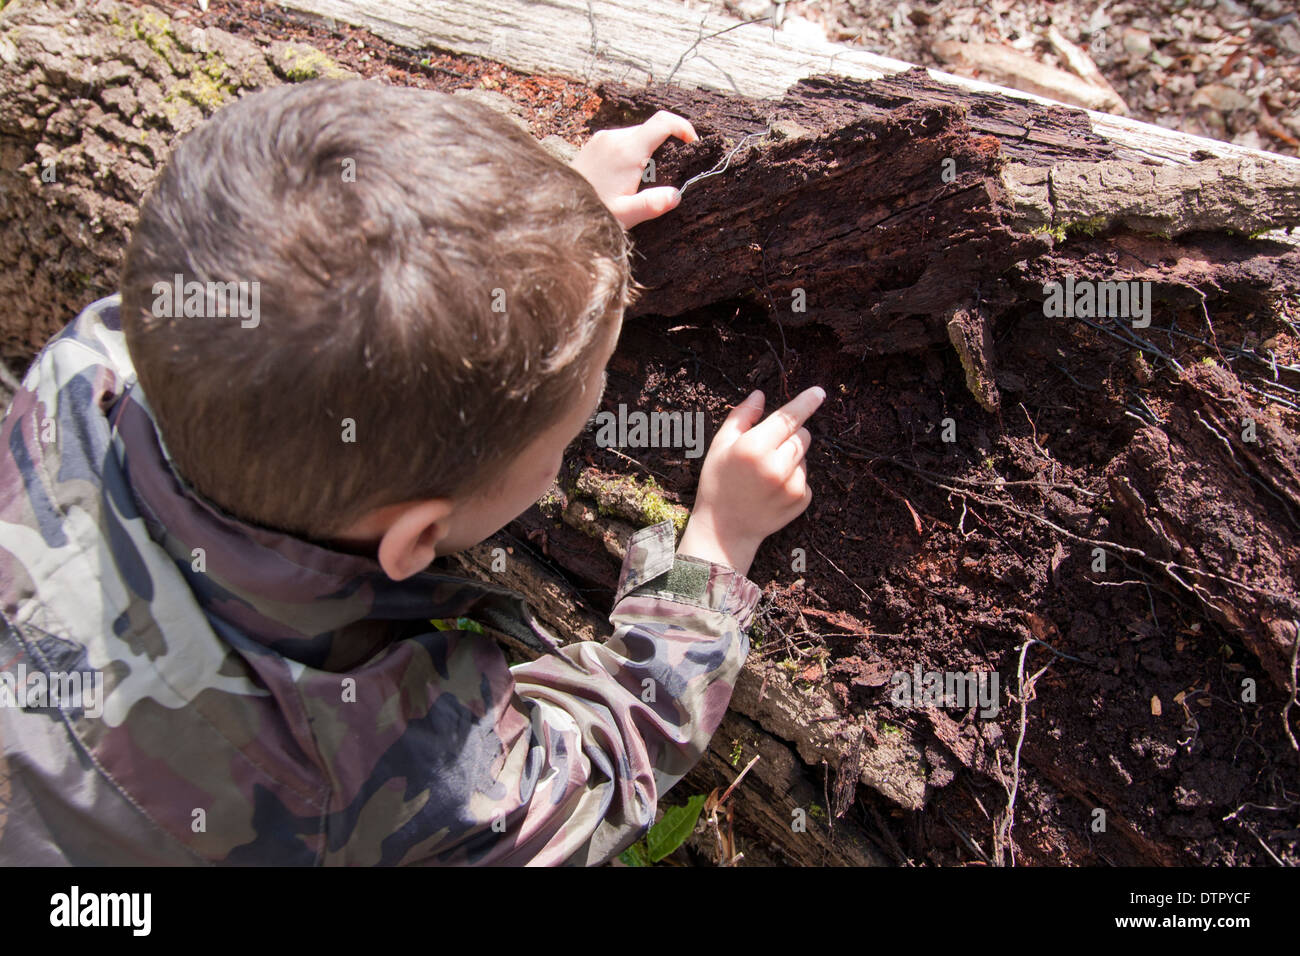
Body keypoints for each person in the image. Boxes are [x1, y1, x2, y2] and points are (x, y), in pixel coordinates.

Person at [0, 80, 824, 865]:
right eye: (573, 426)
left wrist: (537, 247)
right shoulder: (361, 770)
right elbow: (606, 763)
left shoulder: (86, 367)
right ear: (419, 537)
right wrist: (715, 548)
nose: (601, 393)